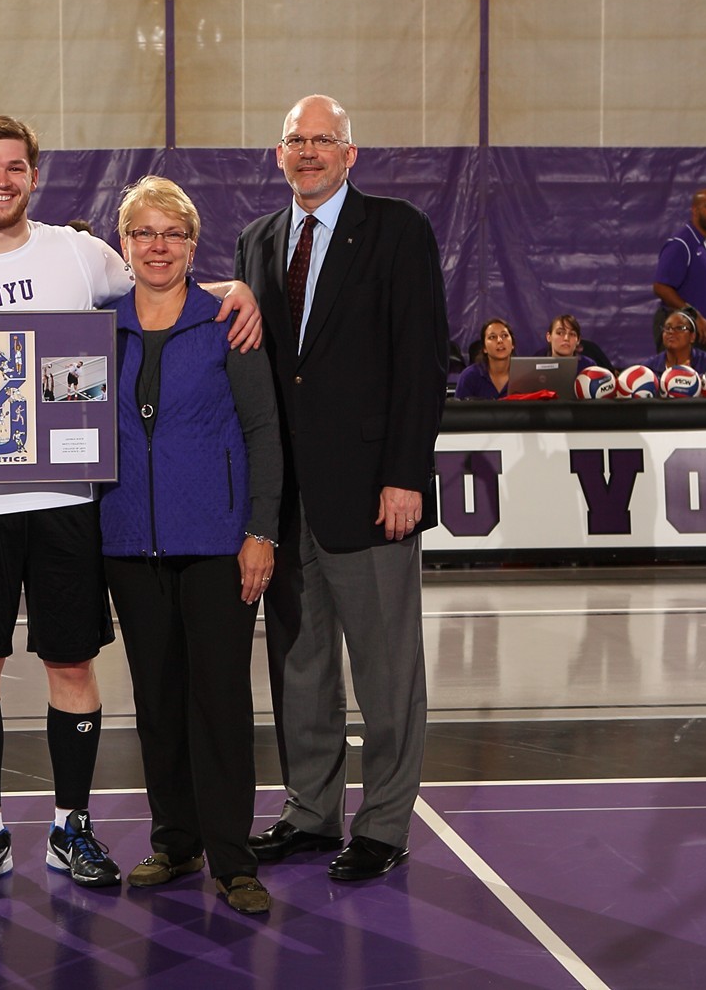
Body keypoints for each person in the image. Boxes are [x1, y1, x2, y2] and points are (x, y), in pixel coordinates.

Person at [0, 114, 261, 895]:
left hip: (66, 501)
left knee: (73, 663)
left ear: (35, 176)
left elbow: (163, 283)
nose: (1, 178)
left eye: (16, 166)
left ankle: (71, 826)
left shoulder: (82, 254)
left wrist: (237, 287)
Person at [237, 94, 448, 882]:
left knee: (388, 671)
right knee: (302, 667)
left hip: (371, 495)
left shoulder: (398, 231)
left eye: (324, 140)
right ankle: (311, 811)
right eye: (297, 140)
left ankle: (385, 823)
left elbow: (423, 361)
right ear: (278, 152)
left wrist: (404, 473)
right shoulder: (257, 241)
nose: (310, 152)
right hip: (287, 502)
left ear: (351, 153)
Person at [100, 176, 282, 915]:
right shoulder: (97, 325)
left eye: (171, 233)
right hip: (126, 541)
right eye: (143, 233)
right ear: (124, 244)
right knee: (157, 697)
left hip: (216, 541)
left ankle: (233, 859)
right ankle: (176, 840)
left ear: (192, 243)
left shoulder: (227, 322)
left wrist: (259, 529)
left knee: (219, 700)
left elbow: (263, 433)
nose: (158, 246)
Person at [651, 188, 706, 351]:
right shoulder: (680, 244)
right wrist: (694, 315)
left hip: (703, 327)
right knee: (679, 376)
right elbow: (660, 287)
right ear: (695, 210)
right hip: (678, 326)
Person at [453, 318, 515, 400]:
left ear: (512, 344)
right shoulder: (469, 376)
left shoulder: (526, 376)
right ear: (484, 348)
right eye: (492, 337)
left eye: (504, 336)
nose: (500, 340)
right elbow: (458, 411)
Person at [643, 308, 706, 375]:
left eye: (680, 328)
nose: (671, 331)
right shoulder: (650, 367)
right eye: (667, 327)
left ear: (692, 337)